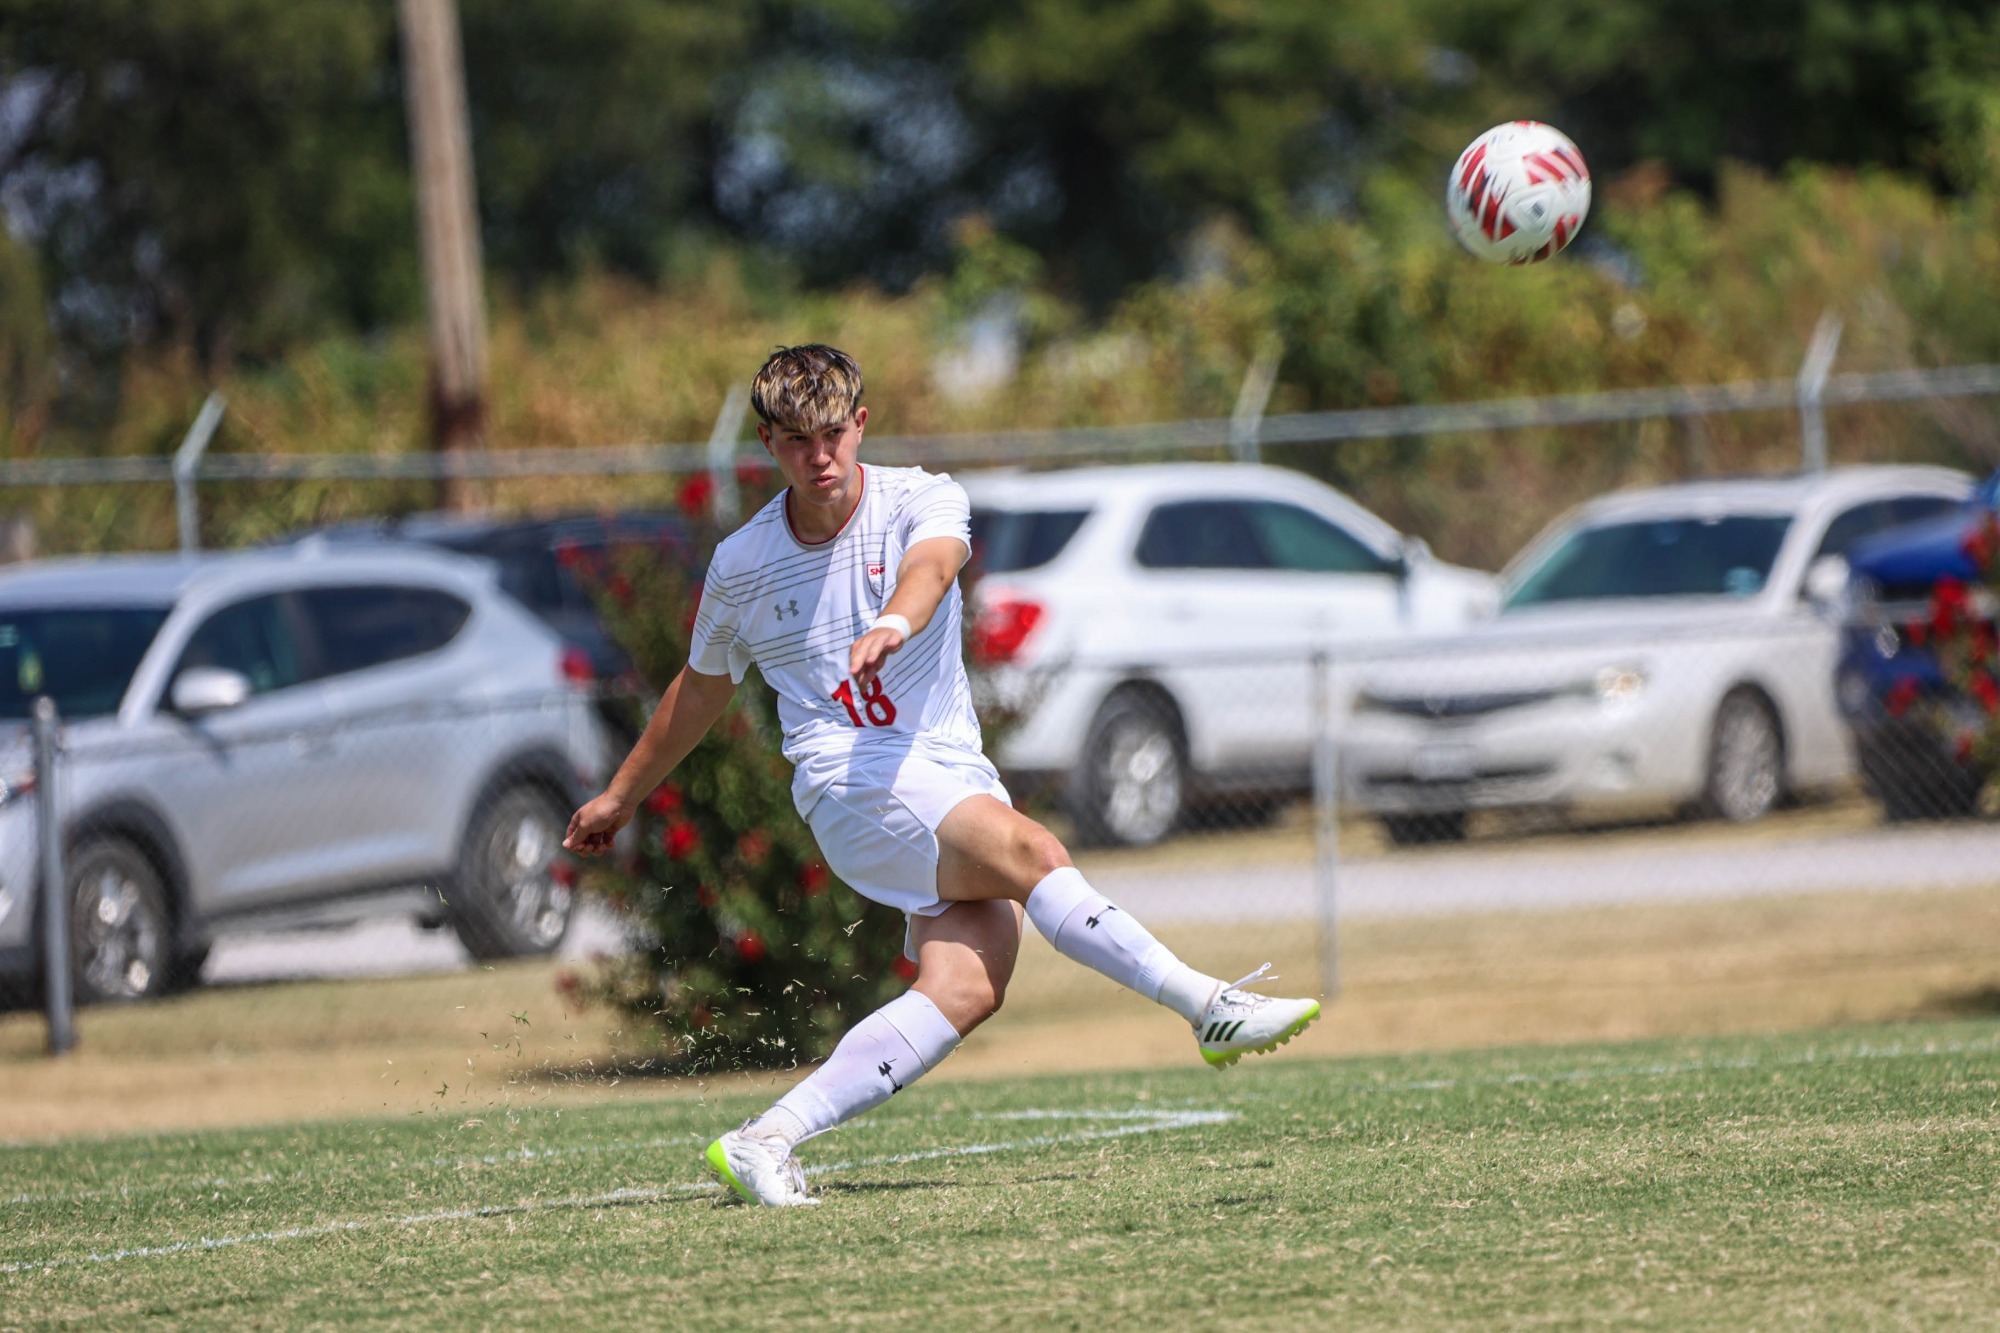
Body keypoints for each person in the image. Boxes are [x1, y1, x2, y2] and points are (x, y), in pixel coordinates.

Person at [564, 344, 1319, 1207]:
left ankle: (765, 1138)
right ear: (768, 442)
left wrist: (894, 619)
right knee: (1035, 852)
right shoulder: (743, 562)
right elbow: (698, 689)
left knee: (972, 978)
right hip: (849, 786)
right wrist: (621, 794)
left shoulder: (922, 496)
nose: (821, 458)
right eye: (798, 440)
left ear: (861, 424)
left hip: (943, 770)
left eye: (834, 434)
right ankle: (1206, 1005)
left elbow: (933, 567)